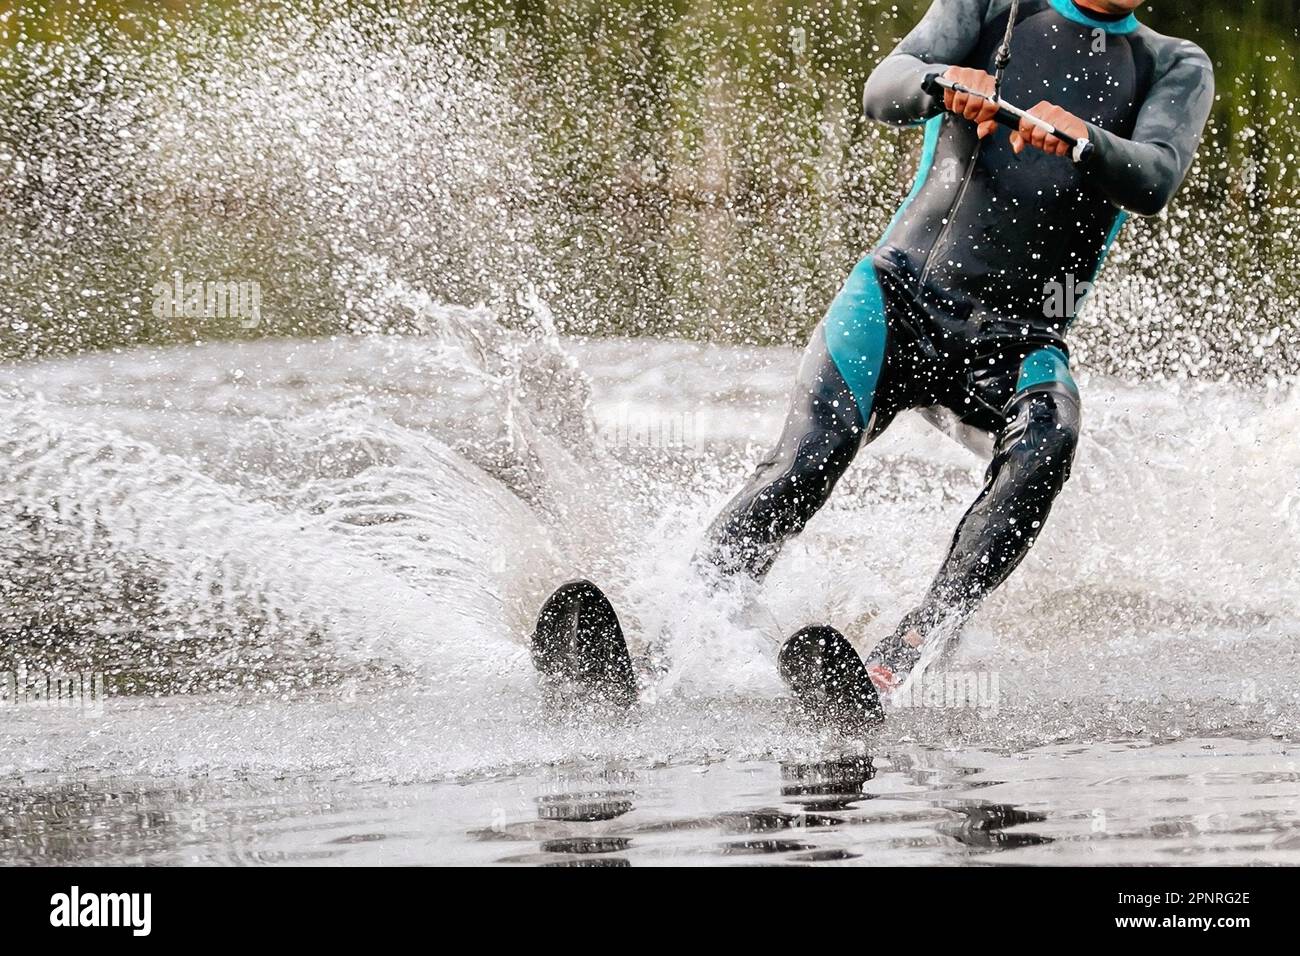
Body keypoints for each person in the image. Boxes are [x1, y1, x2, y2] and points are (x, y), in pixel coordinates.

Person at [697, 0, 1214, 691]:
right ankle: (688, 629)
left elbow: (1155, 177)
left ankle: (908, 650)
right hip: (899, 297)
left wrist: (1085, 138)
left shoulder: (1172, 64)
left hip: (1024, 338)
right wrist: (941, 83)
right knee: (807, 462)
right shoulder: (993, 7)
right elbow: (885, 87)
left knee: (1050, 438)